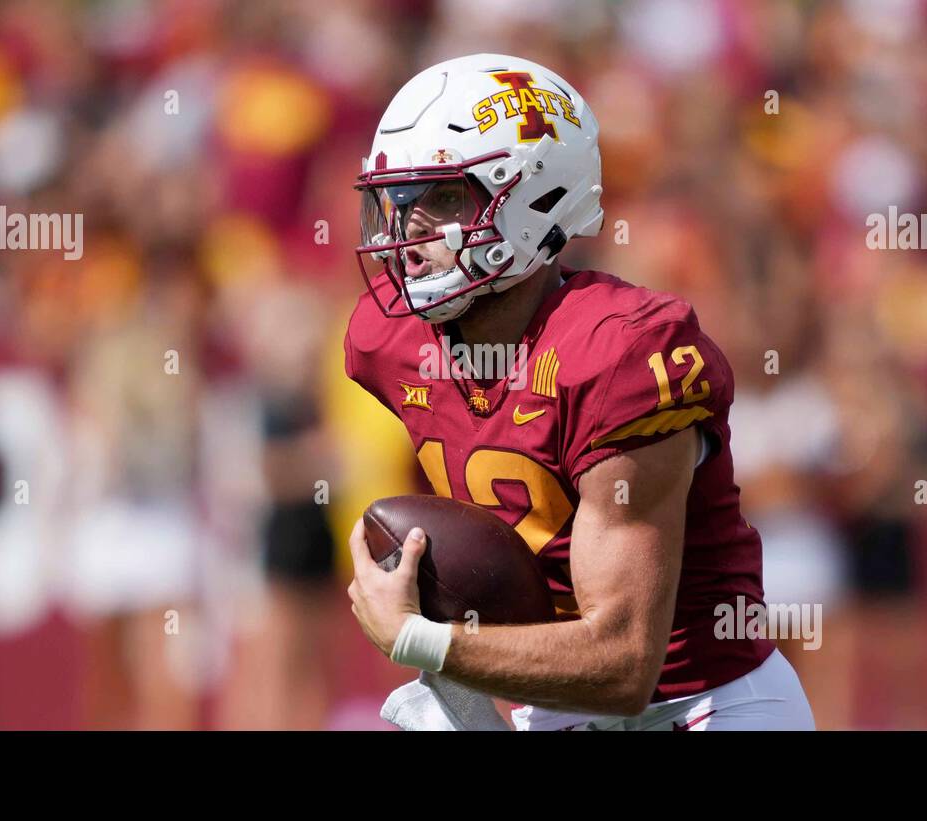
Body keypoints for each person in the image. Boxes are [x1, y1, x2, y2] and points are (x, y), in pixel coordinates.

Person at [342, 54, 813, 731]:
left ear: (534, 201)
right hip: (552, 706)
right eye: (397, 203)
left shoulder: (619, 352)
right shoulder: (389, 339)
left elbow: (624, 663)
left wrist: (423, 640)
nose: (407, 234)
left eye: (442, 199)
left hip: (703, 703)